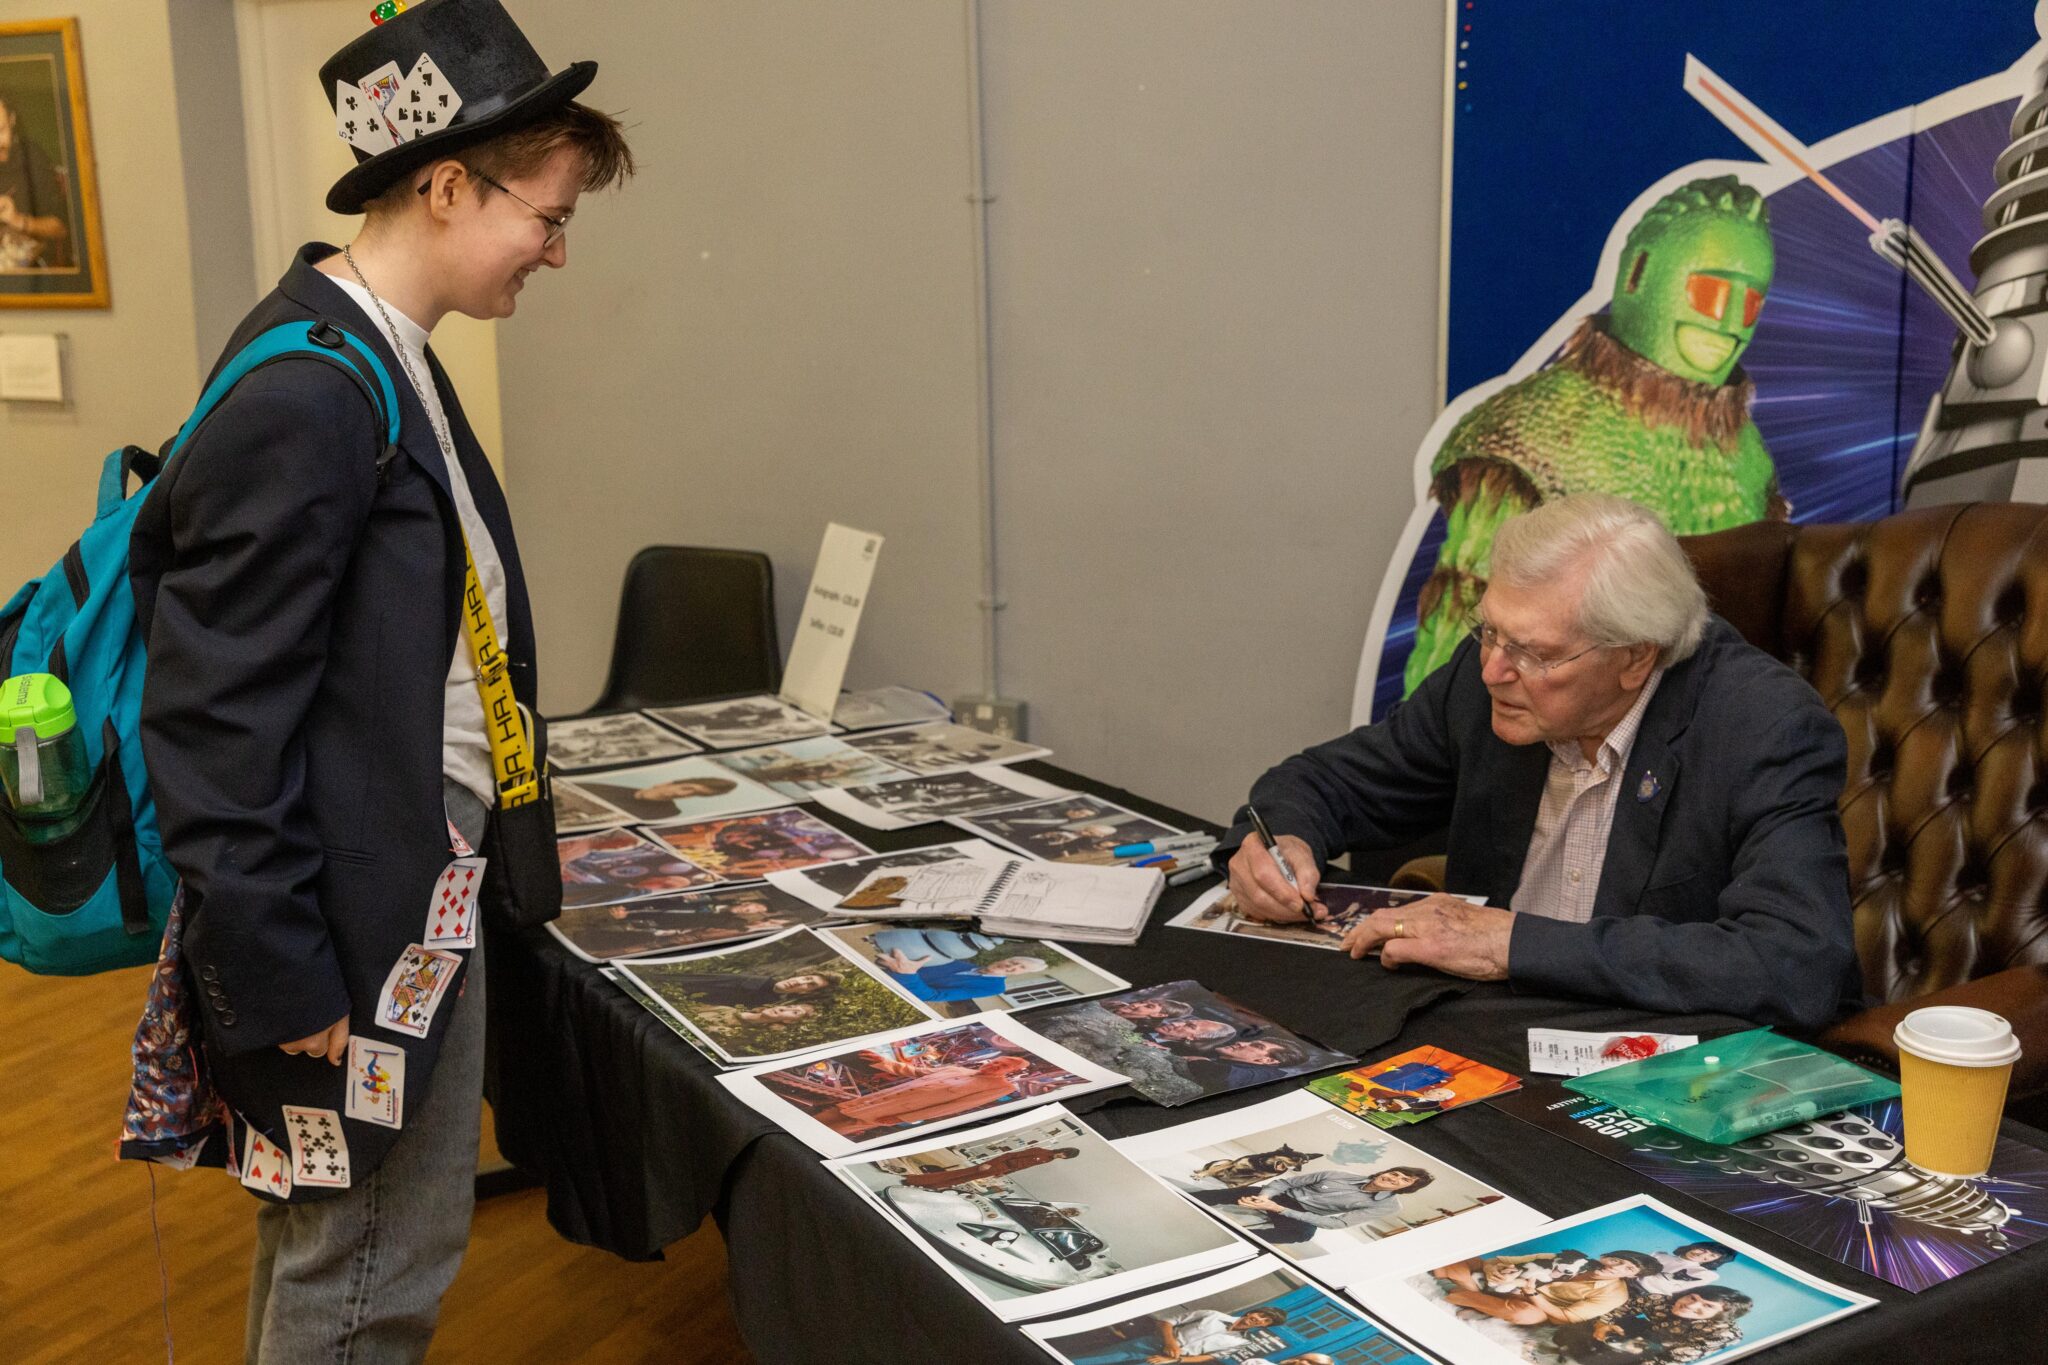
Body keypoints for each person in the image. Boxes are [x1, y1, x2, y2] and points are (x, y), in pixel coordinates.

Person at [127, 3, 633, 1358]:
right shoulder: (314, 389)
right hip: (348, 930)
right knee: (368, 1270)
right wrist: (285, 978)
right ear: (450, 183)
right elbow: (212, 721)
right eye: (548, 213)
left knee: (333, 1247)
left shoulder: (382, 353)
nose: (559, 247)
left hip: (412, 881)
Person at [1222, 494, 1859, 1032]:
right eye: (1490, 630)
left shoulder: (1763, 727)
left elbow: (1793, 961)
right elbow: (1330, 781)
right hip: (1485, 1031)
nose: (1493, 668)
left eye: (1534, 653)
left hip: (1654, 1063)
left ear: (1635, 657)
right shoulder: (1492, 680)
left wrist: (1510, 942)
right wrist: (1277, 840)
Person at [1189, 1166, 1433, 1244]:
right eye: (1396, 1172)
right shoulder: (1337, 1174)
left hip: (1303, 1212)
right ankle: (1185, 1200)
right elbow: (1284, 1182)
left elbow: (1336, 1223)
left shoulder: (1390, 1207)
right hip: (1280, 1196)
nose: (1394, 1178)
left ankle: (1231, 1240)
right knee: (1232, 1193)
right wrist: (1264, 1197)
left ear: (1407, 1188)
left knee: (1302, 1235)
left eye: (1404, 1180)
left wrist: (1279, 1210)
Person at [1433, 1250, 1660, 1325]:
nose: (1616, 1268)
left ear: (1633, 1277)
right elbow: (1499, 1260)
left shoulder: (1615, 1294)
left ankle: (1462, 1296)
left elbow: (1567, 1317)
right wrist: (1495, 1271)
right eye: (1617, 1261)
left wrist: (1531, 1293)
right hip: (1501, 1284)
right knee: (1458, 1258)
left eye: (1628, 1269)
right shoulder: (1565, 1257)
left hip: (1531, 1303)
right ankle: (1474, 1299)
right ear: (1606, 1256)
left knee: (1526, 1314)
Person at [0, 89, 71, 269]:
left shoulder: (32, 158)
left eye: (0, 130)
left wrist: (17, 219)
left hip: (29, 269)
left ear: (11, 120)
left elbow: (60, 227)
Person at [874, 948, 1051, 1004]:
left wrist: (907, 973)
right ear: (1005, 958)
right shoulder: (962, 963)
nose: (1010, 967)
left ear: (1022, 974)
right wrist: (892, 965)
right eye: (1013, 961)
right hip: (878, 978)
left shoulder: (994, 987)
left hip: (889, 997)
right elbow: (915, 967)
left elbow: (932, 996)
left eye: (1020, 968)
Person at [899, 1145, 1080, 1190]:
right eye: (1064, 1154)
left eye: (1065, 1158)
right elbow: (1011, 1156)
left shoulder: (1047, 1160)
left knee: (962, 1179)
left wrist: (1002, 1173)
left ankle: (929, 1185)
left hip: (1001, 1169)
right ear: (1063, 1150)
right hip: (997, 1164)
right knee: (960, 1173)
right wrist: (990, 1164)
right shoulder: (1041, 1150)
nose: (1062, 1157)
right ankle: (914, 1179)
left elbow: (1021, 1167)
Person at [577, 774, 741, 821]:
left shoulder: (669, 812)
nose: (680, 794)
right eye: (686, 788)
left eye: (694, 794)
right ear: (669, 782)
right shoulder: (609, 785)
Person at [1637, 1240, 1736, 1296]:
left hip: (1647, 1295)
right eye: (1702, 1249)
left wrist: (1642, 1275)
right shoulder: (1660, 1255)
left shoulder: (1703, 1274)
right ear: (1694, 1246)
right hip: (1627, 1282)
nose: (1701, 1255)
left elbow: (1670, 1289)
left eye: (1712, 1255)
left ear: (1714, 1261)